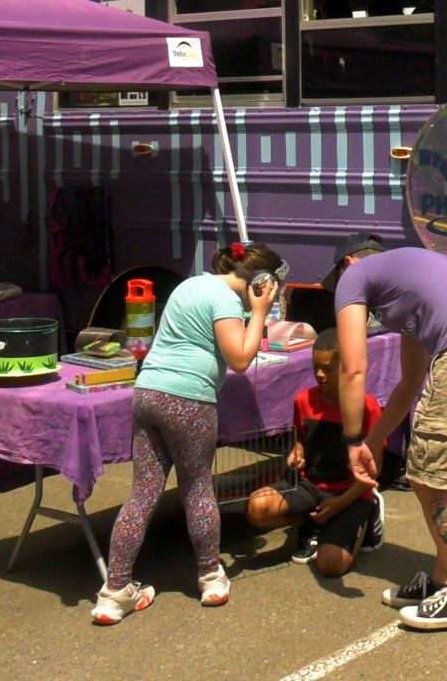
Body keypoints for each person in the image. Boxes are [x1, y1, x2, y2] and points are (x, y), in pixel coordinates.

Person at [327, 233, 447, 632]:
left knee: (428, 481)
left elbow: (351, 368)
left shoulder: (355, 275)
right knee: (445, 477)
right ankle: (442, 580)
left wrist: (350, 441)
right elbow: (410, 382)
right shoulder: (409, 281)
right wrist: (374, 439)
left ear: (349, 262)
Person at [91, 240, 284, 625]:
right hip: (189, 399)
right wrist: (259, 313)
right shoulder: (227, 301)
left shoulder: (188, 285)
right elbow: (241, 358)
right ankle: (211, 576)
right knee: (197, 486)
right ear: (260, 281)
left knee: (143, 491)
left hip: (148, 392)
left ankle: (115, 592)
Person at [243, 328, 385, 576]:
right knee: (257, 508)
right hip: (311, 485)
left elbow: (376, 469)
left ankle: (368, 516)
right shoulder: (303, 400)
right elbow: (302, 441)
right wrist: (297, 452)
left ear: (348, 367)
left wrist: (341, 503)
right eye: (315, 367)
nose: (320, 375)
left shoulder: (368, 407)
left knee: (331, 565)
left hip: (350, 492)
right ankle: (312, 523)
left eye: (328, 369)